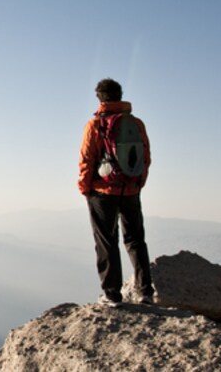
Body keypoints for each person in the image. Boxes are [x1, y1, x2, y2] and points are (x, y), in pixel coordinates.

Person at [78, 78, 155, 305]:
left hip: (102, 191)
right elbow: (145, 157)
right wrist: (138, 183)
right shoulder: (136, 124)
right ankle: (145, 292)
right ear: (120, 96)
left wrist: (85, 187)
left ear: (99, 98)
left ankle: (112, 294)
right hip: (130, 189)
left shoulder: (95, 125)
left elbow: (87, 159)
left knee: (106, 241)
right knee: (136, 240)